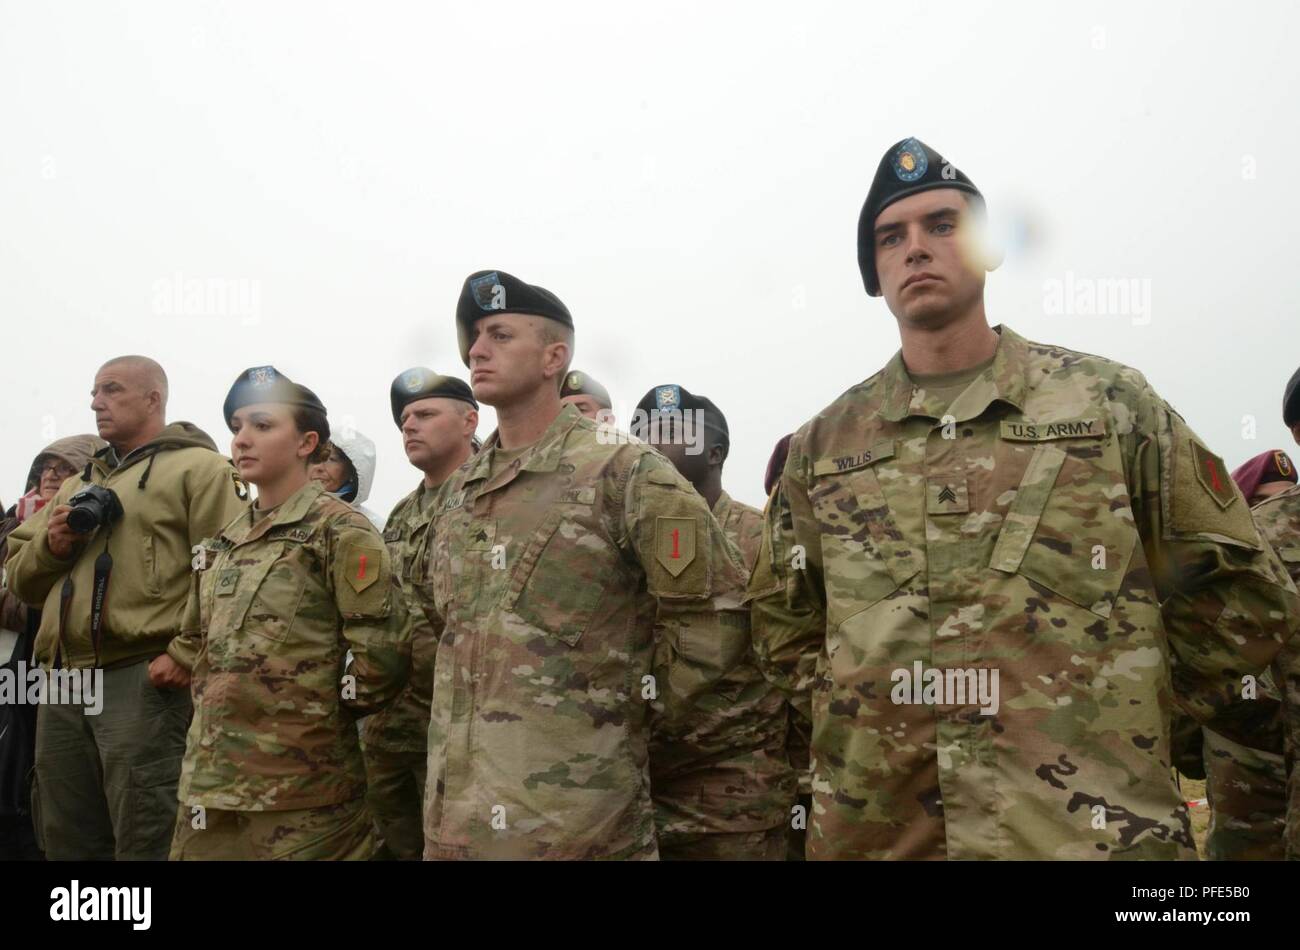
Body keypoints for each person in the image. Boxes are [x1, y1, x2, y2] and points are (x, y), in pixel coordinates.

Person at [747, 137, 1300, 860]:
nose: (917, 248)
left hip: (1087, 835)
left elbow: (1241, 600)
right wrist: (863, 711)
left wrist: (1122, 705)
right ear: (874, 274)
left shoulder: (1110, 405)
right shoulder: (823, 448)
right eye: (892, 237)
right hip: (884, 836)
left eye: (942, 226)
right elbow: (783, 628)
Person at [414, 269, 751, 860]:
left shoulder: (623, 472)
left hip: (577, 827)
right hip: (457, 825)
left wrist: (625, 714)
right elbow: (437, 627)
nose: (477, 350)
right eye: (473, 339)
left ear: (554, 357)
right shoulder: (458, 492)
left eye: (499, 334)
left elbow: (718, 615)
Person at [5, 356, 248, 861]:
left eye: (112, 390)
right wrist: (53, 544)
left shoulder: (200, 470)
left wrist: (186, 653)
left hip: (140, 678)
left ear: (153, 399)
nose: (96, 402)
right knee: (66, 831)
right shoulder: (75, 486)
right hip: (63, 684)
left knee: (147, 831)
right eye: (95, 392)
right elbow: (23, 583)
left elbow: (233, 570)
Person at [168, 366, 409, 860]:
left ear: (306, 442)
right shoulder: (222, 542)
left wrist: (314, 718)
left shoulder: (340, 532)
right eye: (236, 427)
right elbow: (199, 644)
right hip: (211, 789)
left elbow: (382, 655)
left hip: (305, 794)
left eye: (262, 424)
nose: (242, 440)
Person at [631, 384, 794, 859]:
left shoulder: (761, 539)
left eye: (671, 432)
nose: (651, 445)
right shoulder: (625, 542)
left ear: (716, 451)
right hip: (636, 797)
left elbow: (798, 658)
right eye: (640, 433)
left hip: (731, 802)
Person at [362, 367, 478, 860]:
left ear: (470, 421)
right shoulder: (404, 513)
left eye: (426, 415)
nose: (410, 426)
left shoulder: (491, 496)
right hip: (395, 725)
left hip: (465, 725)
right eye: (405, 419)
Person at [1186, 449, 1297, 859]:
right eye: (1264, 500)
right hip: (1246, 773)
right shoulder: (1225, 564)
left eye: (1287, 493)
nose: (1278, 507)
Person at [0, 434, 105, 861]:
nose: (50, 475)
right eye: (44, 467)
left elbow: (71, 597)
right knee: (13, 756)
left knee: (59, 773)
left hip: (67, 665)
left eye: (63, 469)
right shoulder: (13, 521)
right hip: (12, 664)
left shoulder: (93, 524)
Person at [310, 428, 385, 530]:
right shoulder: (286, 511)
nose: (319, 467)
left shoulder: (372, 526)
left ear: (352, 471)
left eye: (331, 459)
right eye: (316, 457)